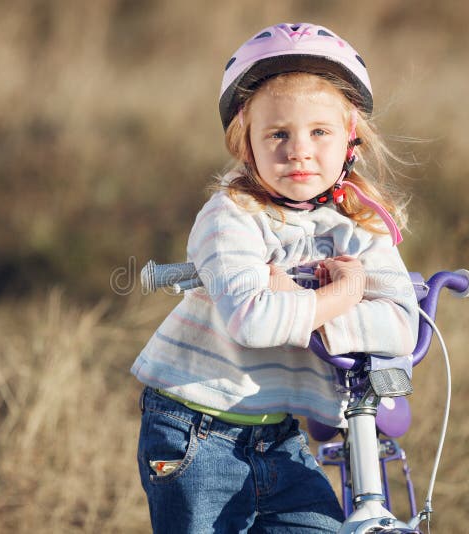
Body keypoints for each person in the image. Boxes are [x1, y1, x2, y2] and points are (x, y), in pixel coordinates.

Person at [131, 22, 419, 533]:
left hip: (277, 432)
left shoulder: (360, 223)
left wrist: (309, 308)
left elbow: (400, 327)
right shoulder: (230, 216)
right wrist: (346, 292)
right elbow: (253, 322)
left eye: (319, 132)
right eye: (278, 134)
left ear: (350, 138)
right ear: (247, 144)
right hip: (195, 426)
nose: (299, 150)